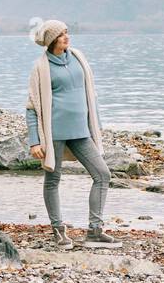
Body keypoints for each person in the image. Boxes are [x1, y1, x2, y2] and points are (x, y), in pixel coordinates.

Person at [25, 19, 121, 249]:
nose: (66, 37)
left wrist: (97, 123)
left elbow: (91, 94)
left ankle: (95, 231)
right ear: (51, 40)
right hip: (55, 133)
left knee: (102, 174)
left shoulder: (78, 57)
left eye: (67, 32)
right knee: (53, 180)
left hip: (81, 131)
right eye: (61, 34)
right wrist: (34, 141)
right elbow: (32, 106)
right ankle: (58, 230)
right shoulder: (41, 67)